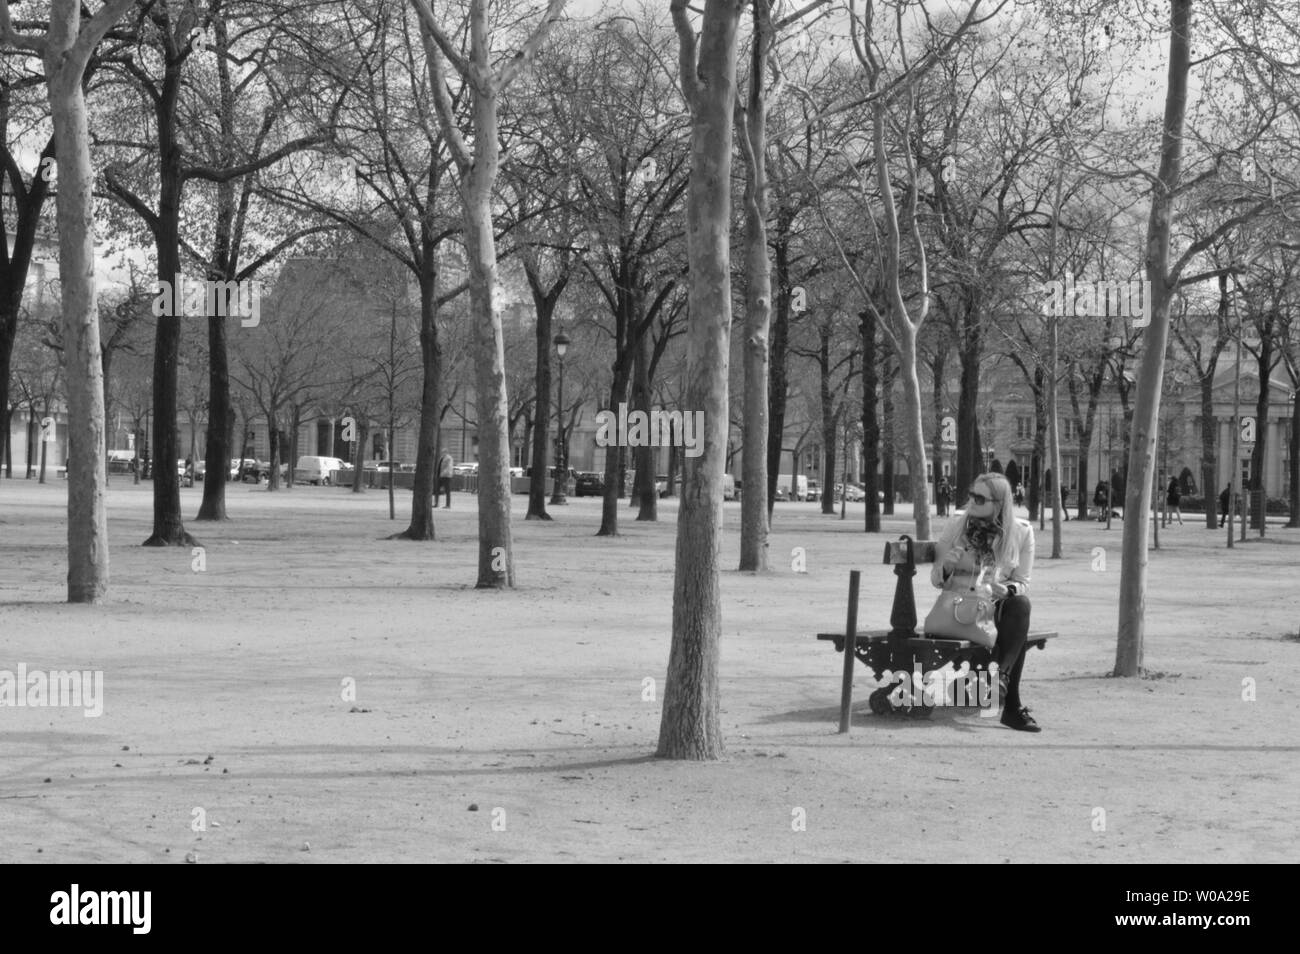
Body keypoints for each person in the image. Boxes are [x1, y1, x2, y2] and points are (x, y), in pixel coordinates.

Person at [928, 472, 1040, 732]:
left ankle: (999, 679)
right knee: (1016, 634)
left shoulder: (1022, 532)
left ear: (999, 503)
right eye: (971, 495)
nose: (972, 501)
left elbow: (1022, 580)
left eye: (980, 498)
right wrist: (947, 566)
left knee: (1020, 604)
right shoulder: (957, 525)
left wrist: (1006, 590)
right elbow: (935, 579)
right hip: (959, 607)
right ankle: (1010, 705)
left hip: (993, 604)